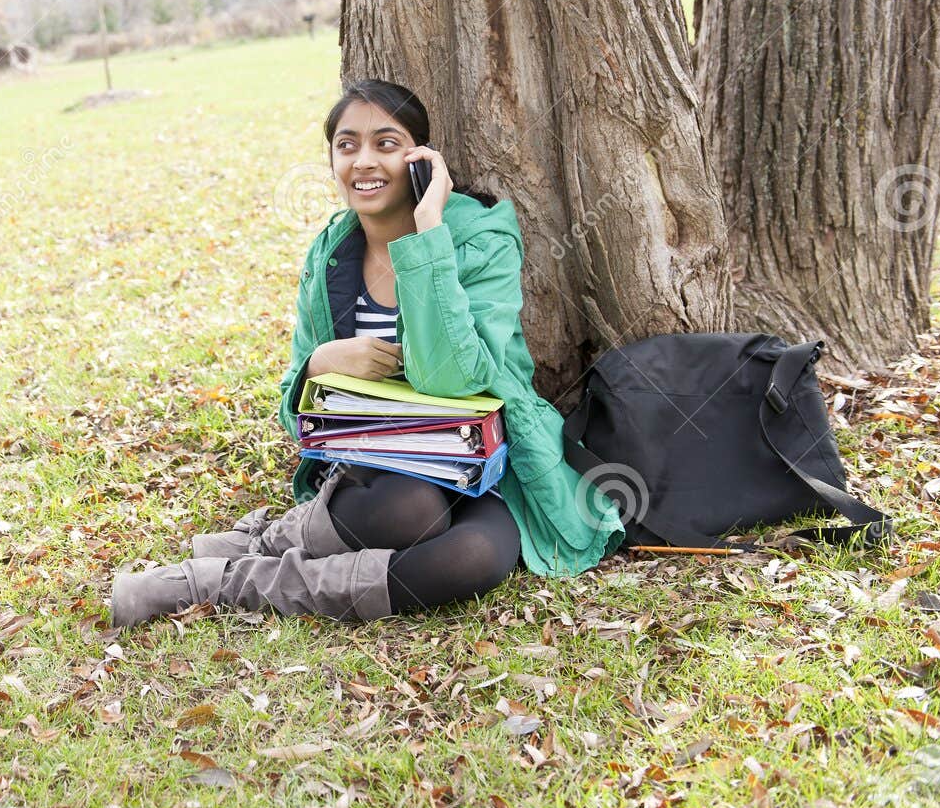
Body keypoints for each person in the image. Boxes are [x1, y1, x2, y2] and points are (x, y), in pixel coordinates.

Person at [110, 79, 625, 628]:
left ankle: (216, 579)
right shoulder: (332, 252)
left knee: (478, 558)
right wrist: (321, 363)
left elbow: (455, 379)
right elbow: (295, 411)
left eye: (386, 143)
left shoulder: (481, 240)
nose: (364, 161)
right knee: (409, 509)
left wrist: (428, 234)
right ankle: (240, 556)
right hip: (378, 473)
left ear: (421, 159)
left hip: (485, 469)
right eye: (347, 144)